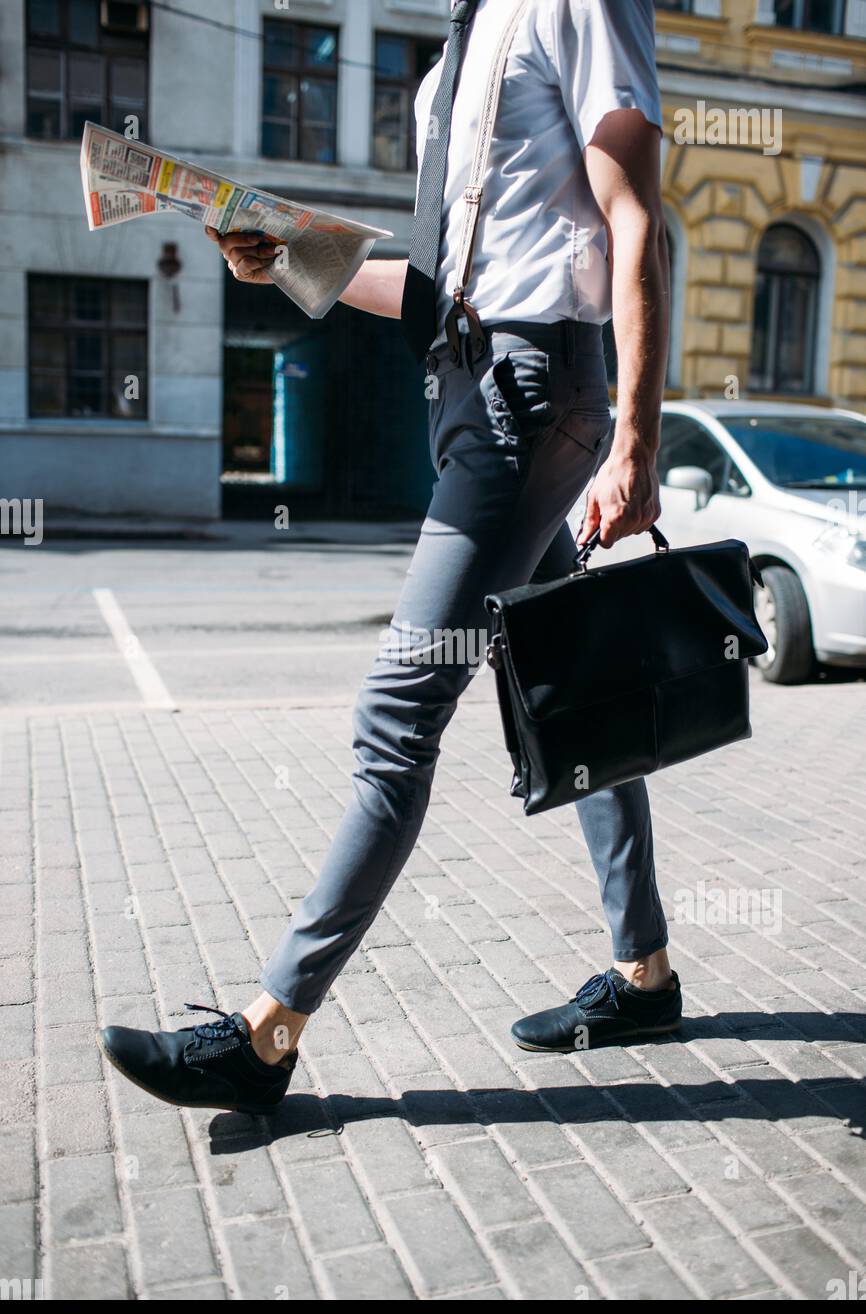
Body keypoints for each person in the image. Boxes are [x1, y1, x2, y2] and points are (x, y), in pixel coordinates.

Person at [98, 0, 680, 1117]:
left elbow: (633, 215)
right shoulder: (457, 50)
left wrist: (636, 442)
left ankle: (267, 1034)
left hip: (525, 399)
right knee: (570, 684)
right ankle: (645, 973)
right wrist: (286, 255)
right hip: (467, 385)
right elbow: (435, 290)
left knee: (398, 712)